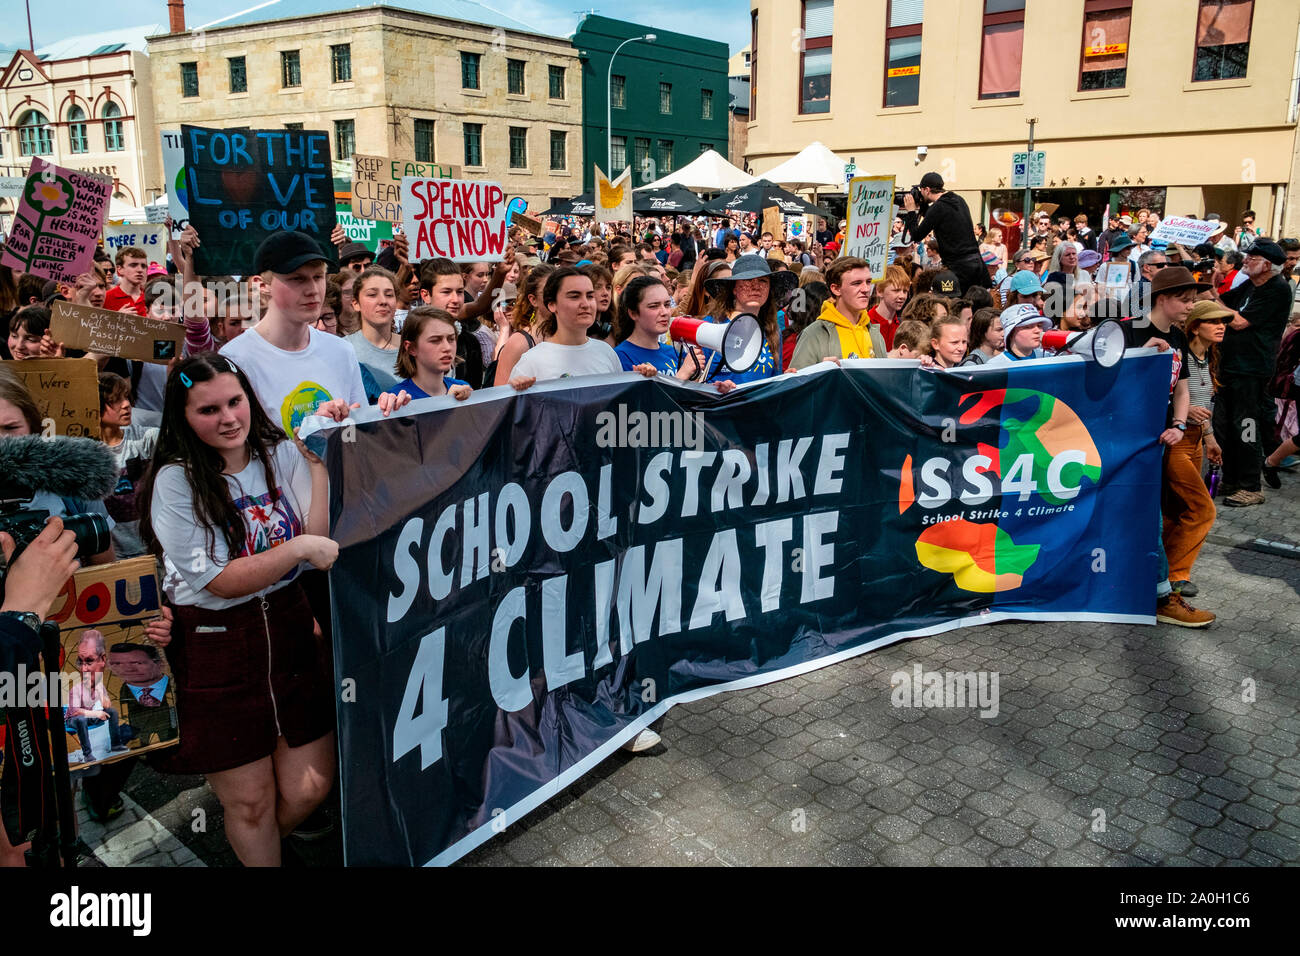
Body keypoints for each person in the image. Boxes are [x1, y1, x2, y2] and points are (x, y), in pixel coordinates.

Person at [139, 354, 338, 866]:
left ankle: (254, 851)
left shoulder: (277, 451)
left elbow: (316, 536)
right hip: (215, 642)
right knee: (249, 802)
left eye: (235, 401)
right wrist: (294, 551)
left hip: (290, 627)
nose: (228, 418)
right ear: (182, 419)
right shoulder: (175, 480)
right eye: (208, 410)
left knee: (311, 787)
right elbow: (220, 581)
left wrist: (317, 466)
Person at [221, 231, 404, 438]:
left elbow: (359, 432)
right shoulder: (235, 359)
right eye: (297, 279)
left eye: (318, 277)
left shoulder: (341, 350)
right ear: (261, 285)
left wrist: (387, 413)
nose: (312, 289)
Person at [1118, 266, 1215, 626]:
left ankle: (1154, 592)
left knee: (1149, 516)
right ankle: (1159, 597)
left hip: (1155, 441)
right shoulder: (1127, 329)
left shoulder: (1177, 338)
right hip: (1124, 442)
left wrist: (1177, 424)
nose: (1192, 306)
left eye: (1193, 299)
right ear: (1162, 299)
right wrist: (1141, 355)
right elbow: (1100, 379)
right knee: (1145, 518)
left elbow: (1182, 389)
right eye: (1185, 300)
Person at [1215, 240, 1293, 506]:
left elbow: (1238, 322)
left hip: (1253, 370)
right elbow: (1223, 303)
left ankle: (1251, 485)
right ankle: (1232, 478)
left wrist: (1213, 299)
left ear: (1267, 265)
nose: (1245, 260)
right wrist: (1213, 286)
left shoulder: (1277, 289)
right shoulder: (1249, 285)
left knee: (1246, 426)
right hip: (1231, 367)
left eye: (1252, 257)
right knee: (1225, 426)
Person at [1166, 300, 1229, 596]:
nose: (1221, 327)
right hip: (1177, 441)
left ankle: (1158, 573)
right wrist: (1183, 412)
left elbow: (1205, 405)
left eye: (1224, 322)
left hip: (1198, 442)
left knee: (1176, 512)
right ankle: (1176, 575)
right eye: (1214, 321)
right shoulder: (1182, 357)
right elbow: (1167, 397)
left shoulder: (1209, 357)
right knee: (1203, 510)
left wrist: (1211, 438)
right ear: (1195, 326)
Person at [508, 268, 631, 382]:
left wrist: (644, 379)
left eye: (590, 296)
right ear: (552, 304)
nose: (585, 304)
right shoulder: (531, 362)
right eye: (574, 296)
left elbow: (620, 404)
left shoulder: (606, 353)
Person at [701, 257, 790, 382]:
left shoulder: (773, 331)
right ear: (734, 288)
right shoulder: (710, 326)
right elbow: (692, 383)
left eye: (763, 280)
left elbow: (773, 383)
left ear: (770, 288)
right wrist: (717, 387)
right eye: (748, 280)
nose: (756, 286)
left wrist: (786, 379)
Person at [98, 372, 158, 558]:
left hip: (151, 553)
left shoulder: (146, 439)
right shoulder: (85, 453)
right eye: (115, 400)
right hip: (112, 558)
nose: (126, 405)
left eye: (126, 397)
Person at [790, 256, 886, 366]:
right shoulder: (812, 335)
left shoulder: (874, 333)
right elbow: (798, 381)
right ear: (836, 289)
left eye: (868, 282)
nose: (866, 289)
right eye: (857, 283)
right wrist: (820, 373)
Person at [66, 630, 129, 762]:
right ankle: (87, 754)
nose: (83, 669)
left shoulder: (98, 684)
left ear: (102, 659)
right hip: (74, 718)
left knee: (112, 712)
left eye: (89, 662)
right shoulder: (77, 689)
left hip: (90, 715)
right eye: (81, 662)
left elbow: (107, 706)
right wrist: (95, 714)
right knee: (81, 720)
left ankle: (116, 745)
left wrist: (100, 689)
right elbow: (75, 712)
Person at [393, 307, 473, 401]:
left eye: (451, 339)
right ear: (411, 348)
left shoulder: (462, 387)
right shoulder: (399, 398)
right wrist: (447, 402)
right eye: (435, 341)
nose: (447, 347)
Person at [344, 266, 402, 394]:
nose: (383, 301)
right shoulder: (343, 349)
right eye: (372, 294)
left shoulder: (413, 347)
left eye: (389, 295)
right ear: (355, 303)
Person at [870, 265, 911, 350]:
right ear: (880, 291)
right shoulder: (866, 322)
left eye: (905, 291)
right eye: (896, 291)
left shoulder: (903, 326)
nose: (902, 296)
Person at [103, 247, 149, 315]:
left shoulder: (151, 298)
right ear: (119, 269)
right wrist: (117, 318)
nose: (140, 270)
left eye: (143, 266)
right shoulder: (105, 298)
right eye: (133, 265)